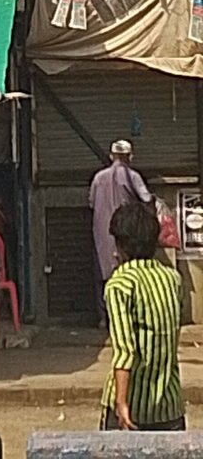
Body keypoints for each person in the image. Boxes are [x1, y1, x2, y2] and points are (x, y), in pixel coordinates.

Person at [101, 202, 184, 432]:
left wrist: (121, 402)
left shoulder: (119, 284)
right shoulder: (172, 279)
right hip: (169, 406)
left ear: (120, 244)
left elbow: (125, 351)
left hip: (133, 408)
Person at [89, 140, 152, 326]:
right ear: (130, 157)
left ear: (111, 156)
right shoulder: (133, 176)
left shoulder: (98, 178)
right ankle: (128, 315)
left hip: (101, 233)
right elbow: (146, 198)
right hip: (127, 232)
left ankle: (104, 317)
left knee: (102, 272)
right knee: (129, 272)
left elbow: (91, 203)